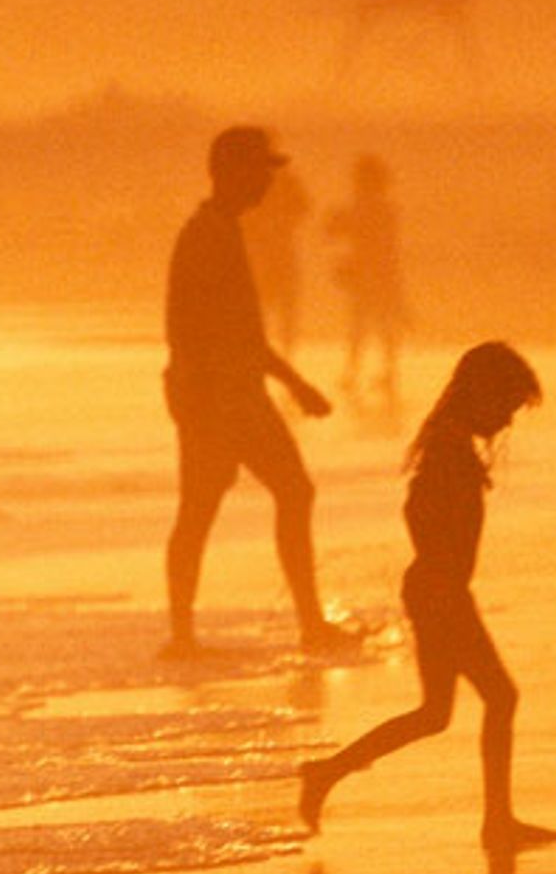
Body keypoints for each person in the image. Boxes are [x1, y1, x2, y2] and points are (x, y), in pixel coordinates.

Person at [296, 342, 556, 848]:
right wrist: (441, 576)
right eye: (505, 406)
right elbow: (418, 512)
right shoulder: (447, 451)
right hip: (441, 592)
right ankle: (497, 823)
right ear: (481, 393)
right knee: (501, 698)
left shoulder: (449, 442)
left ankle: (326, 772)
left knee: (435, 713)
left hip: (437, 589)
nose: (506, 422)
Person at [159, 126, 346, 658]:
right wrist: (208, 403)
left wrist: (294, 383)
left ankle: (185, 635)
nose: (268, 181)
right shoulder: (207, 236)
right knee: (281, 494)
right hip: (222, 397)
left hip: (225, 394)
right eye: (260, 170)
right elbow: (194, 332)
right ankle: (306, 627)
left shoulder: (222, 229)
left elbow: (241, 334)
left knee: (204, 509)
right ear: (230, 171)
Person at [326, 153, 408, 401]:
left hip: (375, 274)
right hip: (368, 275)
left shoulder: (376, 211)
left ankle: (377, 372)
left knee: (374, 325)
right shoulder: (372, 210)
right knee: (366, 325)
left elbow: (385, 247)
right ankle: (371, 372)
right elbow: (334, 233)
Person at [240, 158, 313, 356]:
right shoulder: (256, 182)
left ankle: (281, 354)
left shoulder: (283, 182)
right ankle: (268, 354)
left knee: (278, 308)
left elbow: (303, 208)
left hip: (274, 255)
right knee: (268, 308)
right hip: (264, 256)